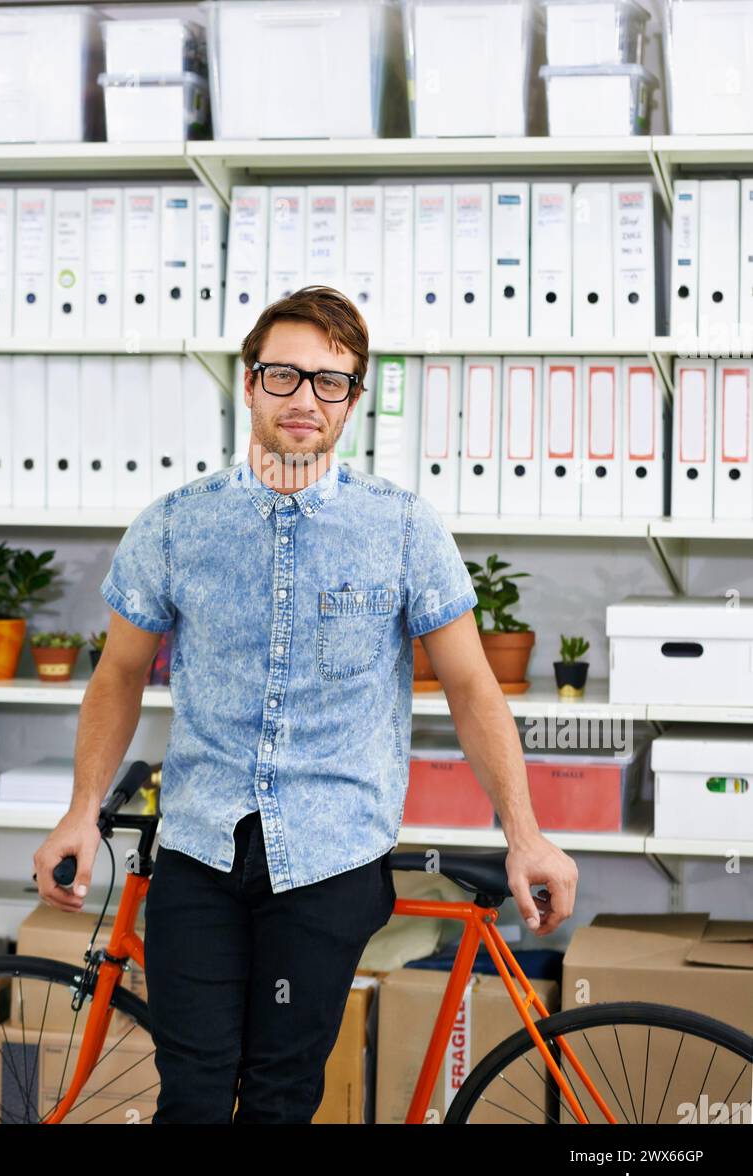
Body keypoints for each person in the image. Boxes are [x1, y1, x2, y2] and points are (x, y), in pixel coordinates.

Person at [34, 285, 578, 1123]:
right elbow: (118, 676)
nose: (303, 399)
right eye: (282, 375)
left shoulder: (402, 529)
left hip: (329, 860)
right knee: (193, 1095)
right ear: (247, 383)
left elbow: (472, 687)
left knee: (283, 1098)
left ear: (354, 400)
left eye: (330, 381)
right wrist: (79, 812)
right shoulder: (175, 527)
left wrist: (526, 834)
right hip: (200, 853)